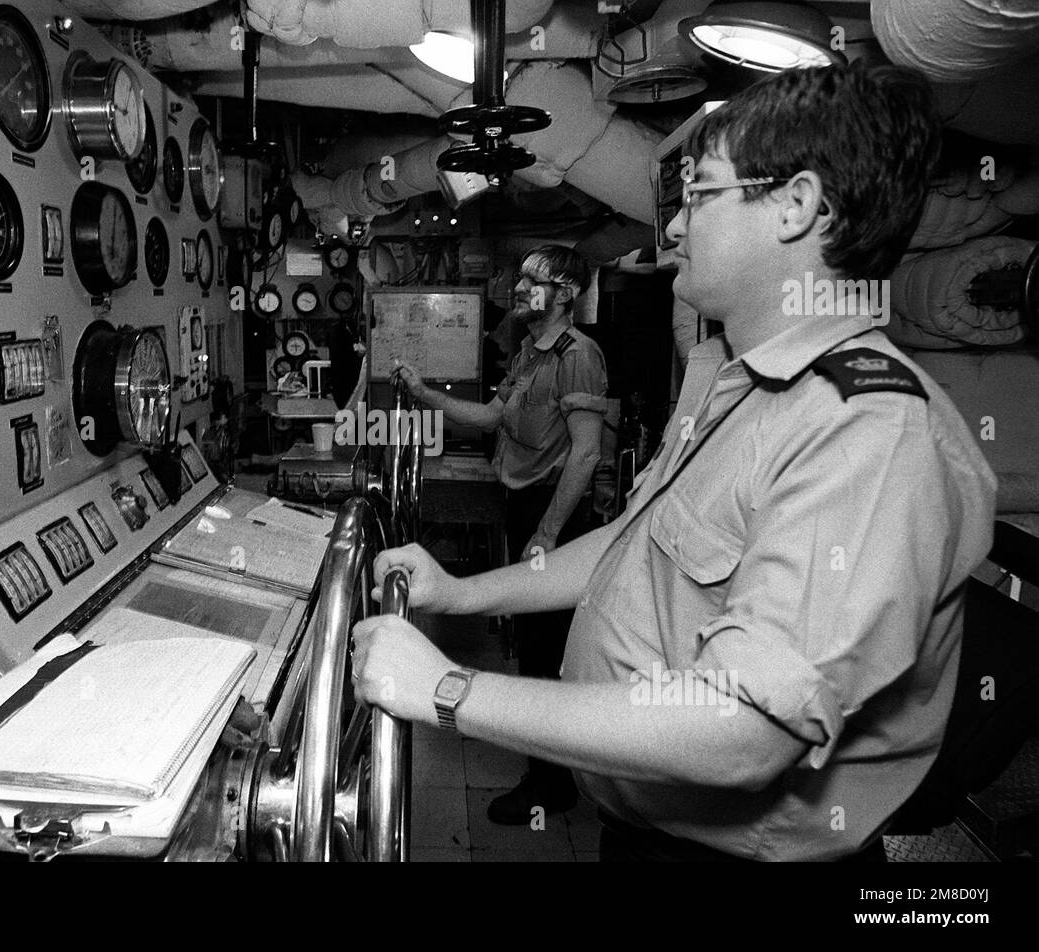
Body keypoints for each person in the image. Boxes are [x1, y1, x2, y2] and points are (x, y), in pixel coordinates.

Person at [353, 61, 998, 861]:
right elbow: (634, 545)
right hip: (645, 830)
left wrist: (449, 691)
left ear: (796, 207)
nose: (676, 227)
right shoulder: (734, 381)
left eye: (702, 196)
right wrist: (462, 593)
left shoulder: (869, 430)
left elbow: (743, 730)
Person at [392, 245, 609, 823]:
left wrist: (547, 532)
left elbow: (586, 454)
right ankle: (548, 772)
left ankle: (552, 785)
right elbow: (489, 417)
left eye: (533, 280)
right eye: (520, 276)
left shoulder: (578, 355)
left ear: (563, 294)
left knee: (544, 653)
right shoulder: (529, 354)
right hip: (525, 505)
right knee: (534, 646)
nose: (518, 286)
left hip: (551, 512)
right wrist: (422, 394)